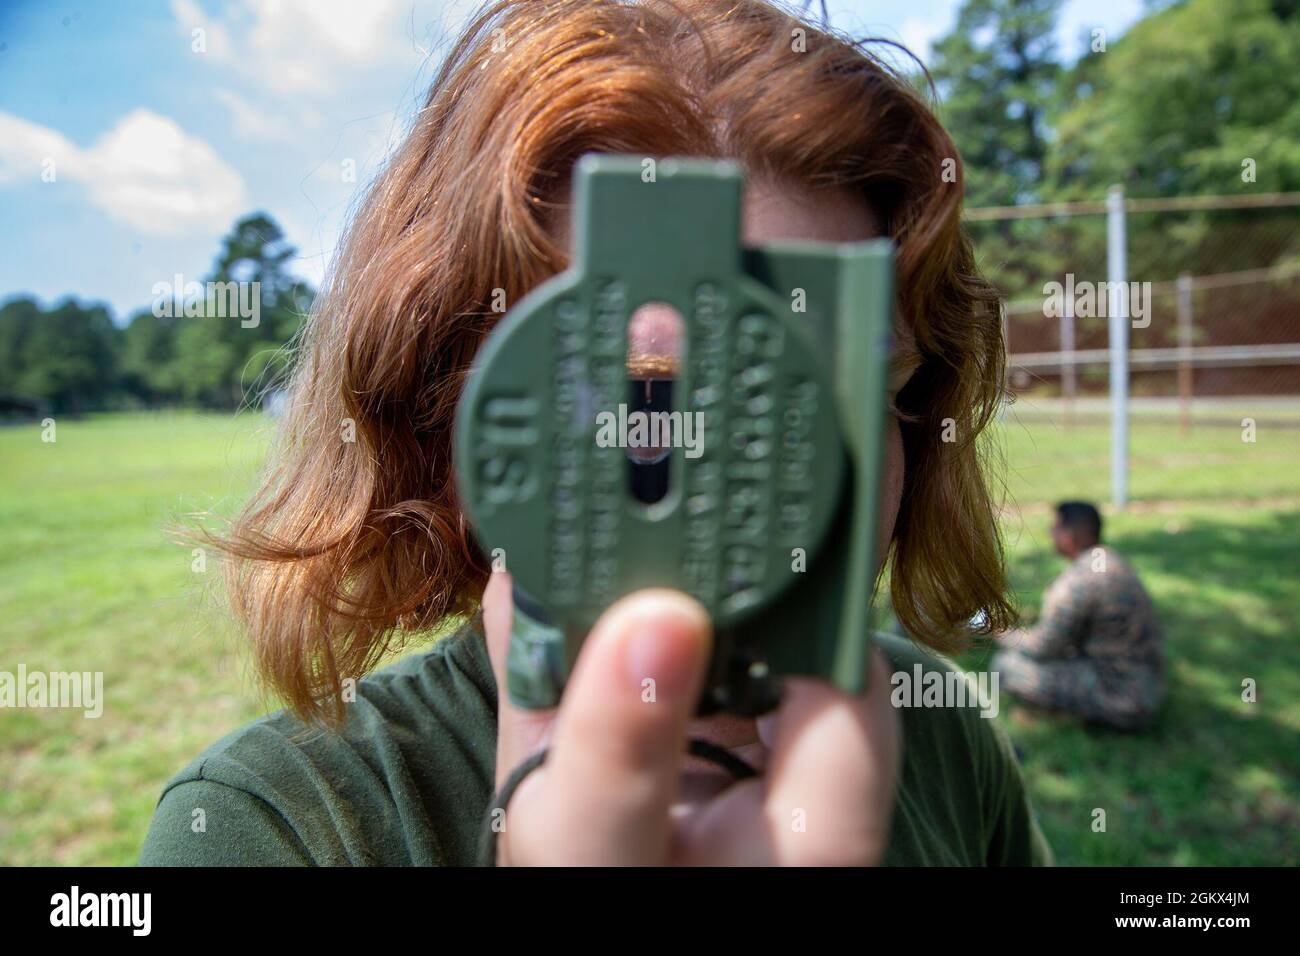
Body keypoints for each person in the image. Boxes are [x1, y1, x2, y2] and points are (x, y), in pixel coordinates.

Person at [139, 0, 1051, 866]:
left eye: (815, 406)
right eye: (643, 406)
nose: (744, 509)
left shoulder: (940, 736)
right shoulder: (280, 828)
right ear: (449, 424)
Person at [993, 502, 1165, 731]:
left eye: (1054, 528)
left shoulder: (1076, 583)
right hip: (1148, 686)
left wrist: (1000, 632)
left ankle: (1069, 714)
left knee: (1004, 666)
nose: (1050, 533)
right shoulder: (1112, 562)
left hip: (1121, 698)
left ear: (1068, 536)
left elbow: (1043, 647)